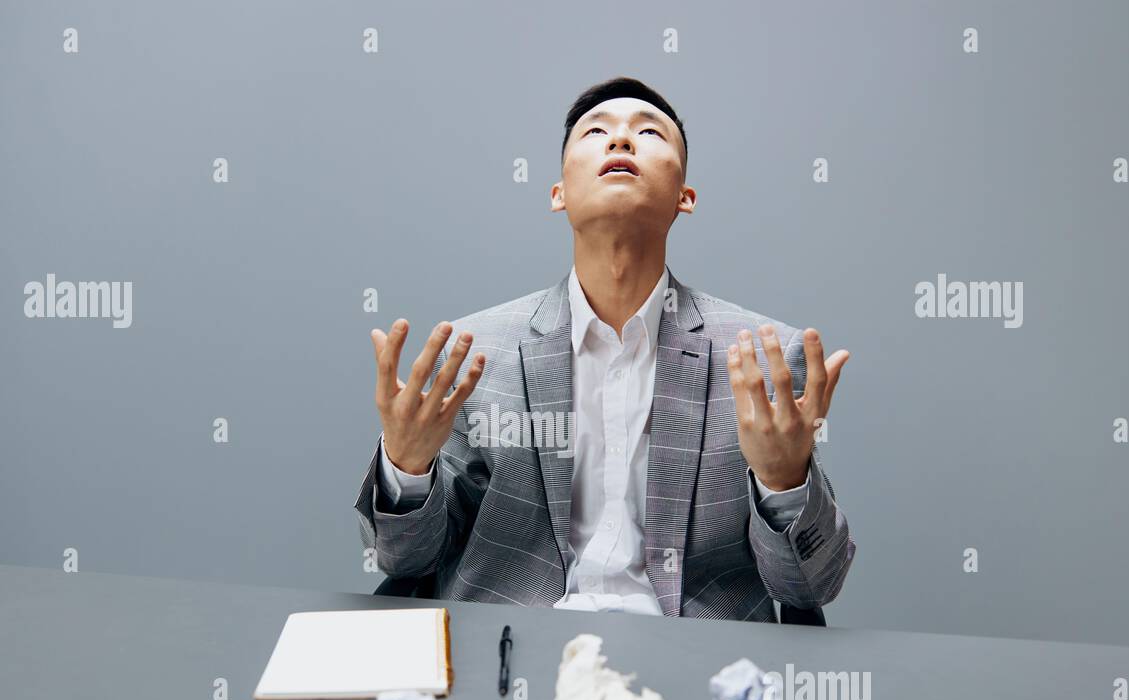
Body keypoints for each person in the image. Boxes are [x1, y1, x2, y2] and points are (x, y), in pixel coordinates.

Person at [355, 76, 854, 621]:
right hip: (509, 659)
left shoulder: (765, 360)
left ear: (685, 197)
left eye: (648, 131)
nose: (621, 140)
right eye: (597, 131)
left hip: (694, 664)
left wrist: (783, 483)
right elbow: (405, 561)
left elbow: (811, 586)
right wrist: (406, 469)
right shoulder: (476, 356)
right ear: (558, 193)